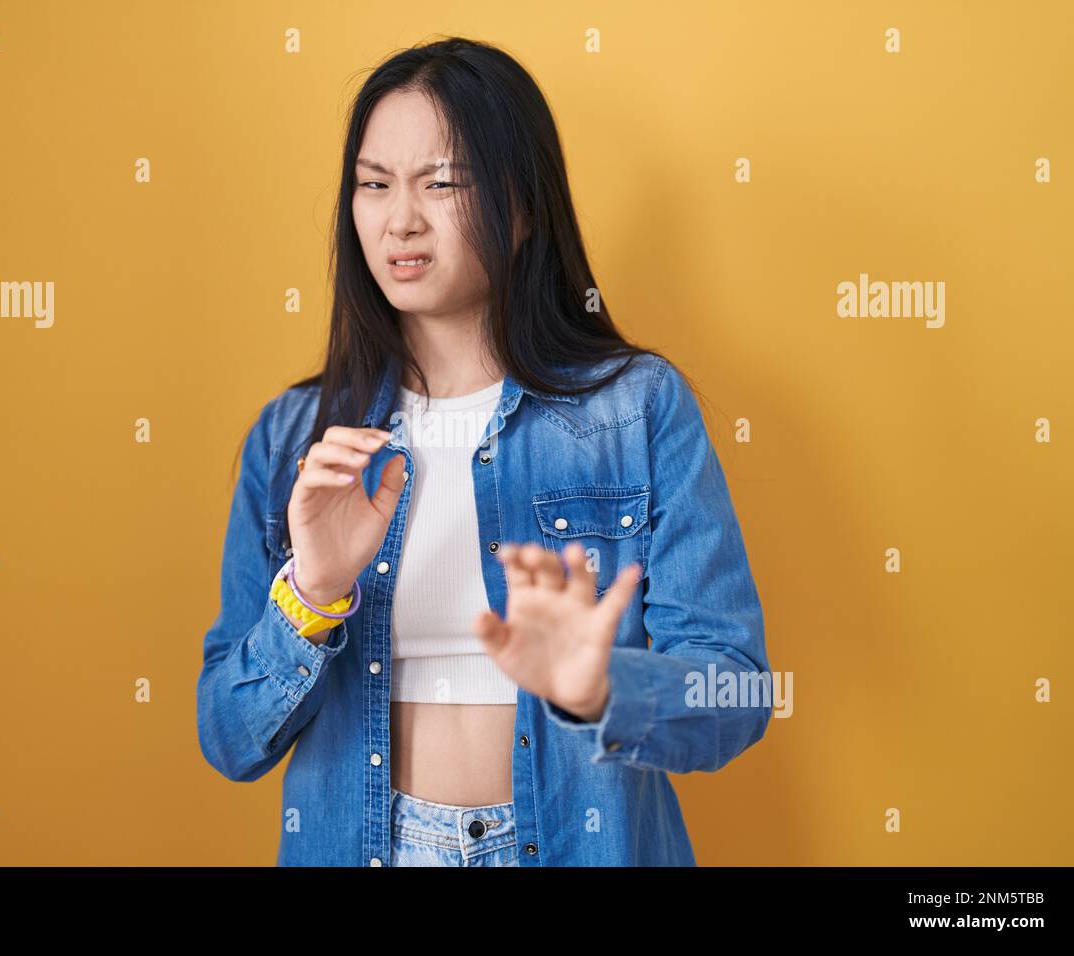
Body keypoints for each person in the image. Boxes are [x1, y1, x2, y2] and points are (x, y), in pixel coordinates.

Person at [196, 36, 772, 867]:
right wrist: (313, 594)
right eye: (374, 184)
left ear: (523, 205)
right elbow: (229, 737)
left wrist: (601, 688)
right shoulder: (296, 439)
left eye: (443, 183)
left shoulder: (636, 407)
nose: (401, 219)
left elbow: (738, 695)